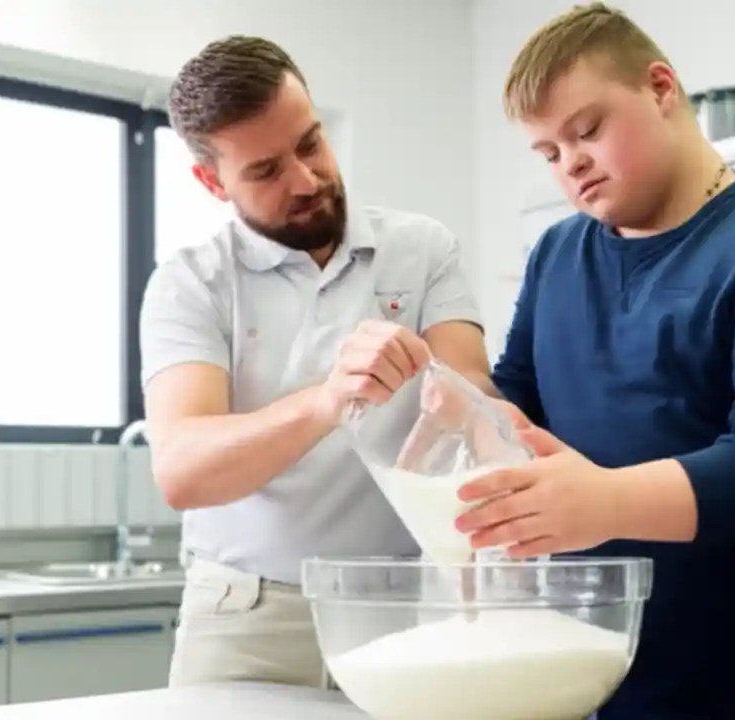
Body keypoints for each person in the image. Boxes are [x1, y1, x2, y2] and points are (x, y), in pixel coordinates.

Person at [455, 4, 735, 718]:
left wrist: (605, 502)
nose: (571, 163)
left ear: (660, 88)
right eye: (549, 153)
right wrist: (444, 399)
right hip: (597, 670)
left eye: (587, 130)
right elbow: (517, 398)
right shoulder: (557, 256)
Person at [139, 35, 492, 688]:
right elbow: (182, 469)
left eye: (310, 143)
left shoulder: (423, 249)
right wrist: (327, 400)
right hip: (249, 619)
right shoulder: (190, 285)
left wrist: (458, 401)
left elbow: (474, 389)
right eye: (266, 171)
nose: (306, 181)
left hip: (403, 606)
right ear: (211, 180)